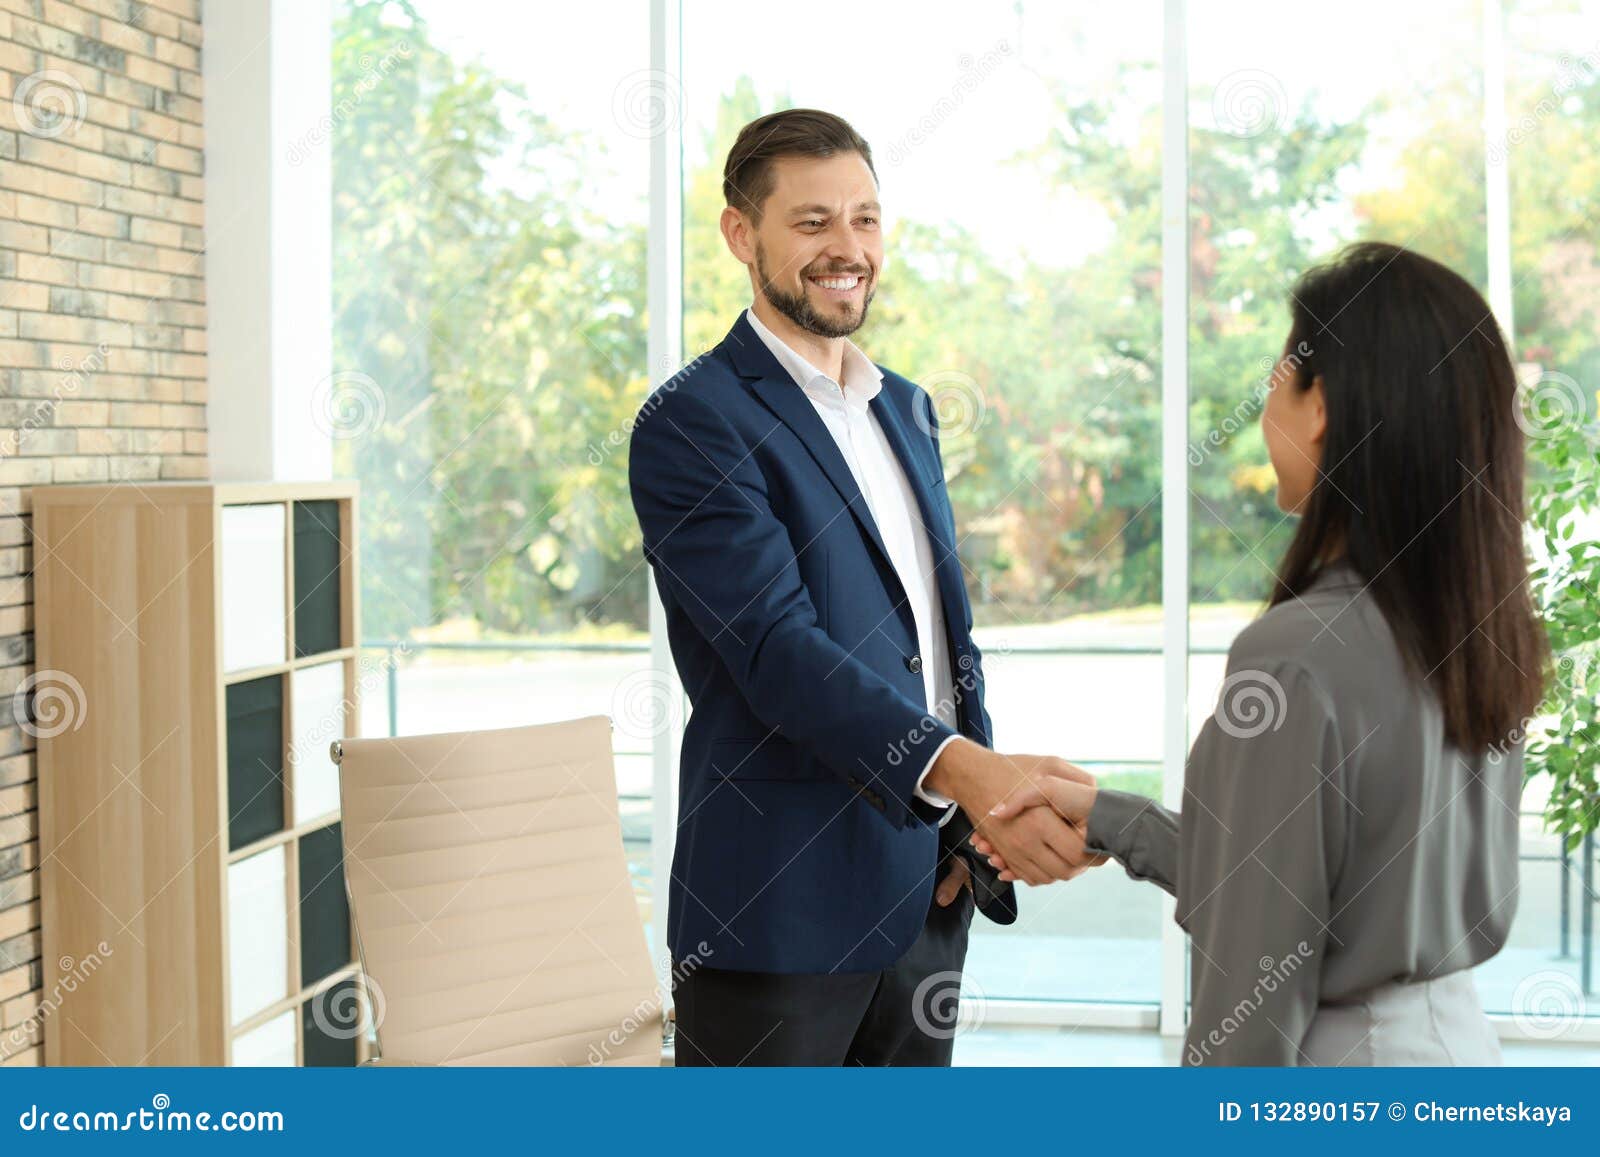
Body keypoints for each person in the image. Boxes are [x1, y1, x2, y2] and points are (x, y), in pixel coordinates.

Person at [976, 242, 1550, 1066]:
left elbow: (1253, 998)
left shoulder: (1294, 657)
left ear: (1323, 404)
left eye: (1283, 368)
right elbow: (1318, 889)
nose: (1266, 397)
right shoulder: (1474, 626)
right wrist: (1116, 818)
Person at [627, 109, 1087, 1066]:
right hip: (776, 916)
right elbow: (778, 652)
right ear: (740, 234)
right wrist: (968, 770)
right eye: (813, 223)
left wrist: (971, 823)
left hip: (923, 896)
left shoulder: (906, 408)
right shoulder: (692, 421)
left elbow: (934, 638)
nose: (848, 249)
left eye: (866, 219)